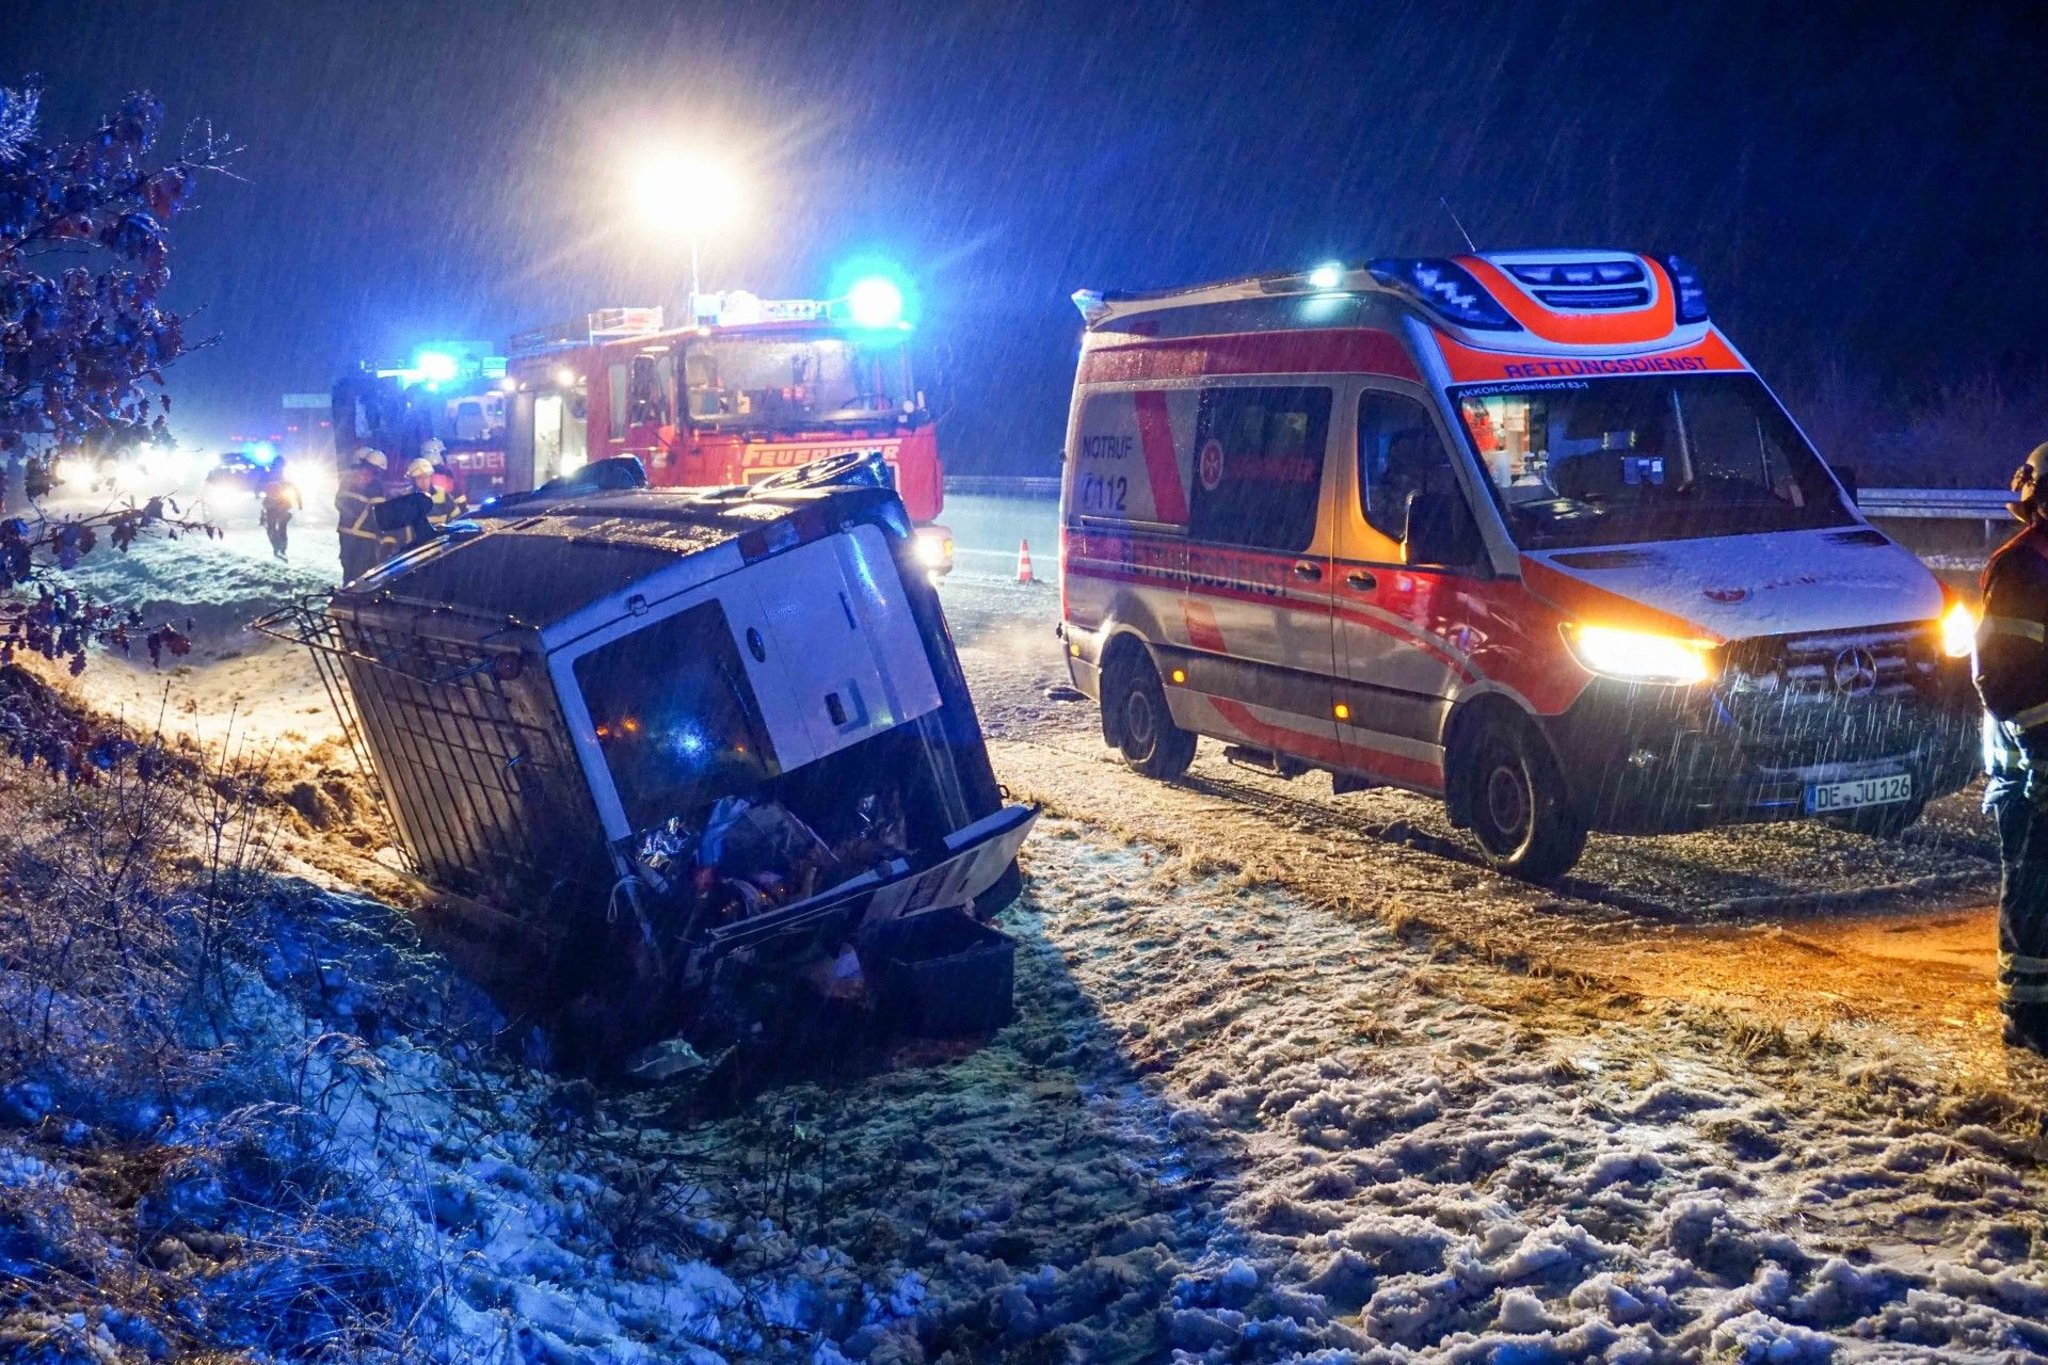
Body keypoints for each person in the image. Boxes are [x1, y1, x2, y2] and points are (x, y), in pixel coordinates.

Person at [1974, 440, 2048, 1054]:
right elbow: (2004, 674)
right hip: (2030, 759)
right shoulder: (2024, 567)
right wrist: (2042, 749)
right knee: (2034, 880)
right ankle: (2028, 1022)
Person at [375, 451, 465, 554]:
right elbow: (393, 531)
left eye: (426, 477)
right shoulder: (405, 499)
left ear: (431, 477)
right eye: (419, 478)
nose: (424, 481)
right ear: (412, 480)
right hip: (411, 553)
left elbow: (456, 520)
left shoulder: (443, 496)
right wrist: (388, 547)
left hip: (440, 551)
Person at [335, 446, 388, 582]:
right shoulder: (376, 485)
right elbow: (379, 513)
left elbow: (338, 503)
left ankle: (345, 598)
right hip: (365, 537)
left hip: (345, 532)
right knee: (362, 575)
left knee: (348, 571)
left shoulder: (347, 480)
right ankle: (353, 600)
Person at [257, 461, 300, 560]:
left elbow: (294, 489)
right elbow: (259, 486)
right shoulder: (268, 476)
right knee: (276, 528)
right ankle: (279, 547)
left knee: (278, 528)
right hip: (274, 506)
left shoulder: (284, 478)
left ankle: (280, 547)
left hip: (279, 506)